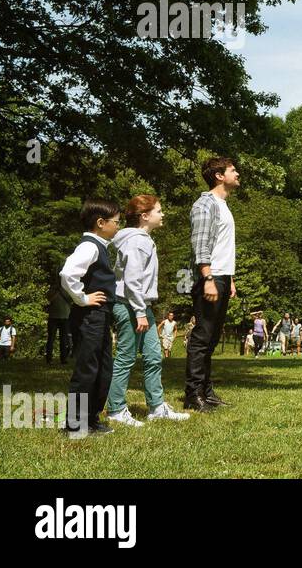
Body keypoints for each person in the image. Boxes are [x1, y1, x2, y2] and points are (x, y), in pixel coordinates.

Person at [107, 195, 190, 426]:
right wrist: (140, 312)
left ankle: (156, 407)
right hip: (130, 306)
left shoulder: (142, 239)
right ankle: (116, 410)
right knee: (126, 357)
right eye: (159, 211)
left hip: (142, 307)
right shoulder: (136, 241)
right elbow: (132, 280)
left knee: (154, 357)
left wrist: (144, 310)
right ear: (144, 216)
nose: (163, 215)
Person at [59, 199, 121, 438]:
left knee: (103, 367)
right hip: (89, 316)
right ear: (100, 222)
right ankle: (75, 424)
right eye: (116, 222)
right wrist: (82, 299)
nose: (118, 226)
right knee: (88, 368)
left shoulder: (100, 246)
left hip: (100, 316)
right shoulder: (90, 246)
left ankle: (91, 418)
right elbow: (68, 273)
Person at [186, 156, 240, 412]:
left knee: (212, 338)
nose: (237, 173)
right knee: (202, 337)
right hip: (210, 277)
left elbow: (222, 247)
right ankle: (192, 394)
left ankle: (206, 391)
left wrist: (229, 279)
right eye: (232, 170)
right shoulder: (205, 205)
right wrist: (208, 278)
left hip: (221, 276)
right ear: (219, 176)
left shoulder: (223, 204)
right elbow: (200, 244)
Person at [45, 278, 73, 364]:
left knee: (63, 339)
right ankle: (49, 359)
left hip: (65, 317)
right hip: (53, 316)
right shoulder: (53, 288)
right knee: (51, 338)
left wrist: (62, 290)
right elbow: (48, 298)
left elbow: (71, 299)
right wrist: (56, 290)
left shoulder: (68, 288)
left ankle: (63, 359)